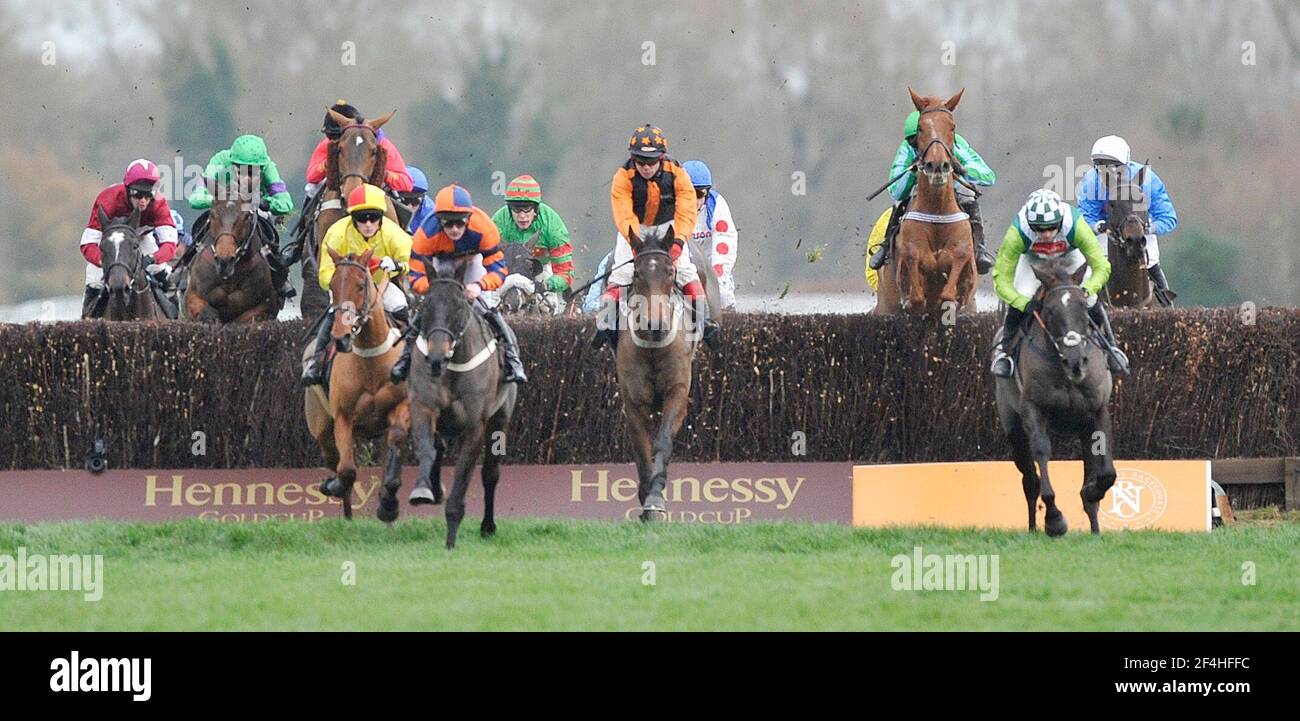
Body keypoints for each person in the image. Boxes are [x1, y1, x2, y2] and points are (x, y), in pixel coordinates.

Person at [591, 123, 717, 350]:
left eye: (651, 162)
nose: (646, 167)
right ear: (633, 158)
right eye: (640, 162)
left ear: (662, 157)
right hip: (635, 227)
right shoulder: (623, 176)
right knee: (621, 272)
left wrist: (678, 242)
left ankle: (704, 322)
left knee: (686, 271)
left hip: (668, 226)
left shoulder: (678, 174)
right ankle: (606, 322)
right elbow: (623, 213)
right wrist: (634, 244)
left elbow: (687, 209)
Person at [390, 184, 527, 384]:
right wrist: (432, 290)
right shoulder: (426, 233)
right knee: (432, 308)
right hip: (440, 264)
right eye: (448, 223)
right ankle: (405, 360)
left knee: (485, 307)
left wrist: (479, 285)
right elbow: (415, 273)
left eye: (460, 223)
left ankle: (512, 360)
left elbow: (498, 270)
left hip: (472, 262)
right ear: (439, 221)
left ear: (469, 219)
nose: (454, 229)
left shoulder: (484, 228)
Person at [989, 189, 1128, 378]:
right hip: (1033, 260)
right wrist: (1024, 303)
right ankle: (1005, 354)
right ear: (1030, 225)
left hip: (1069, 256)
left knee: (1092, 298)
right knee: (1021, 292)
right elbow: (1001, 279)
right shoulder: (1018, 232)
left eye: (1052, 227)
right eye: (1039, 228)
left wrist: (1088, 290)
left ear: (1061, 222)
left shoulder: (1075, 225)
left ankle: (1111, 347)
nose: (1046, 235)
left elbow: (1102, 266)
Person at [301, 184, 413, 386]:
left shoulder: (395, 235)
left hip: (380, 286)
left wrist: (396, 265)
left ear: (381, 217)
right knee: (335, 312)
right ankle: (316, 363)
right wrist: (341, 285)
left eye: (373, 217)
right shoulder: (336, 233)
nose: (368, 223)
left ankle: (409, 358)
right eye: (362, 218)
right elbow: (324, 272)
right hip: (347, 289)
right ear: (352, 219)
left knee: (400, 306)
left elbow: (411, 262)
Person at [869, 110, 996, 274]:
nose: (917, 145)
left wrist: (963, 169)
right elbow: (895, 191)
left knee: (968, 195)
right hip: (920, 193)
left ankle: (979, 249)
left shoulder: (956, 144)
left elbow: (988, 176)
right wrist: (912, 173)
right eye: (914, 142)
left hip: (952, 191)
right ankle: (887, 246)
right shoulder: (906, 148)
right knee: (900, 202)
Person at [187, 134, 296, 298]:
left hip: (252, 208)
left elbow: (286, 203)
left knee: (269, 233)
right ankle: (184, 267)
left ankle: (280, 276)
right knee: (201, 227)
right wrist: (221, 201)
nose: (248, 177)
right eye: (243, 171)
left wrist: (266, 202)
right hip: (224, 210)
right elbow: (195, 199)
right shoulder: (219, 163)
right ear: (233, 165)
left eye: (253, 172)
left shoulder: (268, 168)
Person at [1077, 134, 1178, 303]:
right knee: (1094, 264)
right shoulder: (1091, 181)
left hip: (1141, 228)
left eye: (1111, 166)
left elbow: (1168, 217)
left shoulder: (1148, 180)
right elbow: (1086, 216)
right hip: (1109, 230)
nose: (1104, 171)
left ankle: (1165, 302)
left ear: (1125, 164)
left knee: (1150, 258)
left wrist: (1149, 228)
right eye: (1100, 165)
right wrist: (1098, 227)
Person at [79, 159, 179, 318]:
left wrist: (154, 258)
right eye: (137, 194)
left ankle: (175, 321)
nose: (143, 201)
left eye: (148, 194)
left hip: (141, 239)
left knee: (164, 274)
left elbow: (169, 245)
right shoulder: (107, 200)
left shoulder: (159, 204)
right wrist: (104, 260)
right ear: (127, 190)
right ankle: (86, 323)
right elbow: (88, 244)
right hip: (109, 244)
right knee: (94, 282)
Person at [304, 99, 413, 200]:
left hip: (375, 195)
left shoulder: (383, 145)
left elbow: (406, 184)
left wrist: (381, 172)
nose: (336, 141)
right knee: (311, 190)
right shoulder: (329, 143)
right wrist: (330, 163)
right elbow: (311, 177)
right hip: (336, 195)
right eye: (333, 138)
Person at [490, 174, 575, 295]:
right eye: (516, 209)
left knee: (548, 304)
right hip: (505, 271)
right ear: (509, 209)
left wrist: (547, 285)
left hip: (540, 271)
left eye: (527, 208)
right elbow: (484, 262)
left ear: (536, 209)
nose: (522, 215)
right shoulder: (498, 223)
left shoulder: (553, 226)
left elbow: (565, 273)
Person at [682, 160, 738, 310]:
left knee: (722, 295)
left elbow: (725, 242)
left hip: (709, 260)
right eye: (688, 194)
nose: (694, 201)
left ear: (707, 194)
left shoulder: (716, 205)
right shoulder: (669, 207)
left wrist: (718, 275)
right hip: (680, 260)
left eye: (699, 194)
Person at [400, 165, 435, 234]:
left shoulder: (430, 215)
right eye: (404, 201)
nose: (409, 207)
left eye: (415, 202)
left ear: (422, 201)